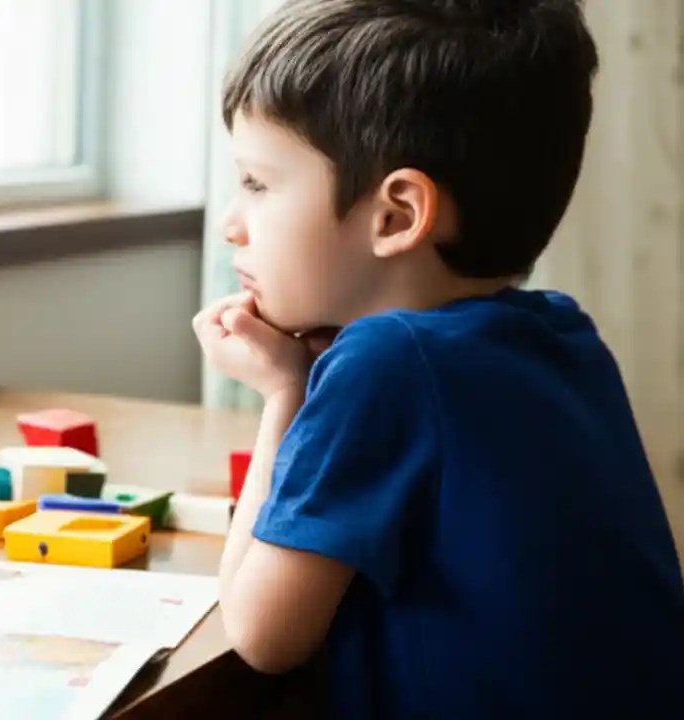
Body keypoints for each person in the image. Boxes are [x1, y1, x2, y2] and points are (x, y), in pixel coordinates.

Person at [192, 1, 684, 717]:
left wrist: (283, 395)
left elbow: (262, 635)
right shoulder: (561, 335)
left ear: (396, 216)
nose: (233, 225)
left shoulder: (385, 363)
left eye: (259, 184)